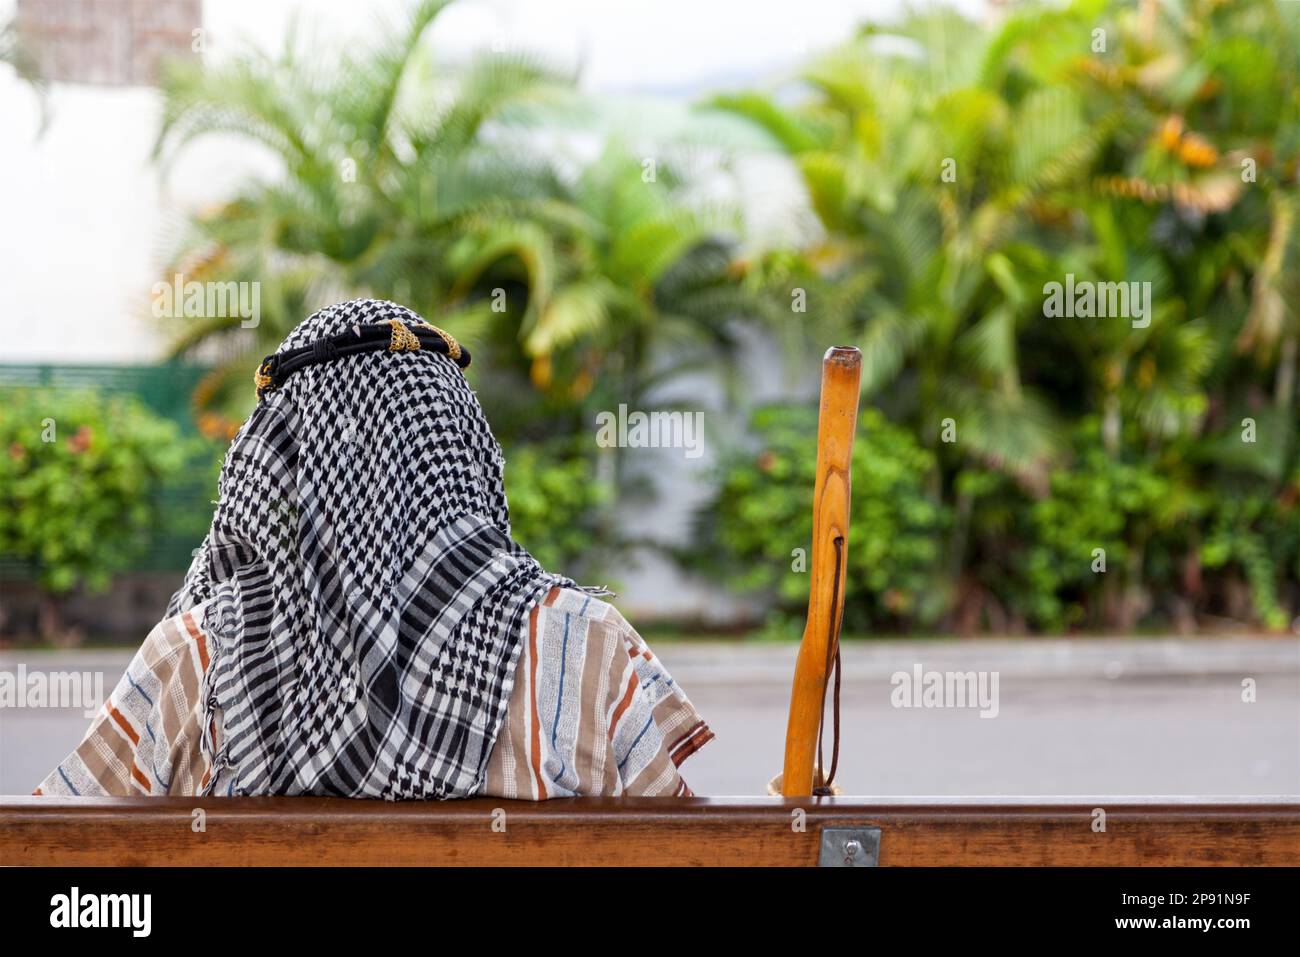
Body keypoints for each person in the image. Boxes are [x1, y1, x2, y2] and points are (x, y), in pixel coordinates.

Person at [36, 299, 712, 800]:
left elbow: (64, 842)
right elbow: (681, 843)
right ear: (458, 448)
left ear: (295, 461)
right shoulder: (584, 643)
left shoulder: (194, 657)